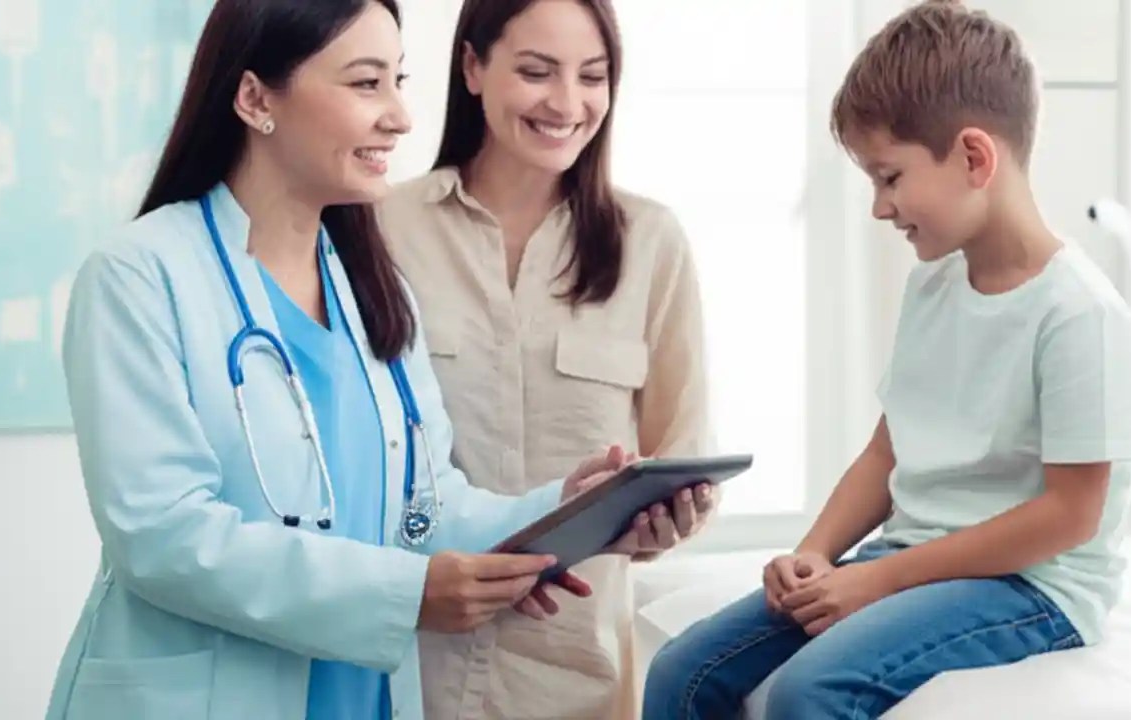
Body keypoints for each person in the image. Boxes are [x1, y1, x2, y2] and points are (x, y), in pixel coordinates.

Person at [44, 2, 699, 719]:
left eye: (399, 80)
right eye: (365, 84)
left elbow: (423, 511)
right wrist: (408, 593)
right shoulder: (139, 277)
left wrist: (563, 509)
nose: (400, 117)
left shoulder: (370, 287)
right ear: (256, 97)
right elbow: (163, 537)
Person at [641, 1, 1131, 718]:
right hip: (912, 558)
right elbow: (888, 452)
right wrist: (817, 555)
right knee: (681, 672)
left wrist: (880, 582)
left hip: (1035, 587)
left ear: (975, 158)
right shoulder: (934, 288)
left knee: (810, 691)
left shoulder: (1081, 317)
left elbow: (1070, 517)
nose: (880, 208)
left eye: (889, 178)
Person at [376, 0, 715, 717]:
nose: (567, 104)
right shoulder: (379, 228)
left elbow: (684, 449)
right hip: (406, 667)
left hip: (573, 676)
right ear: (472, 65)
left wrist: (668, 520)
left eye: (593, 76)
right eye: (537, 72)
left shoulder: (649, 242)